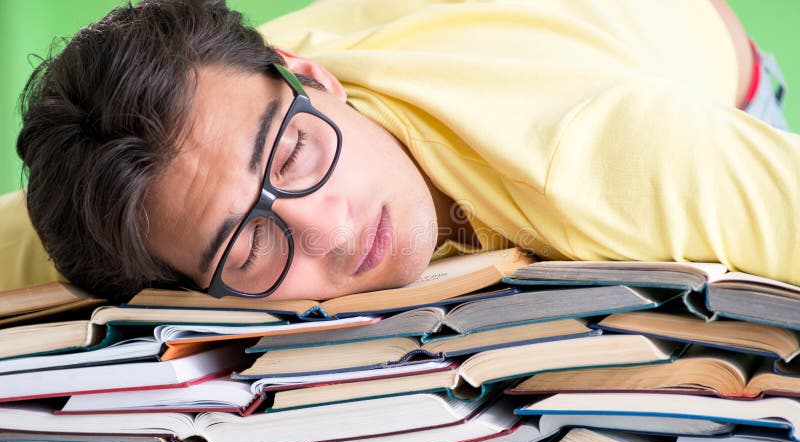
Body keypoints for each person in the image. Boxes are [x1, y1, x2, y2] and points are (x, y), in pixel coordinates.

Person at [15, 0, 798, 301]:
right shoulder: (157, 178)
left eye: (289, 157)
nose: (328, 228)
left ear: (320, 83)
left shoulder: (598, 154)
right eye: (250, 242)